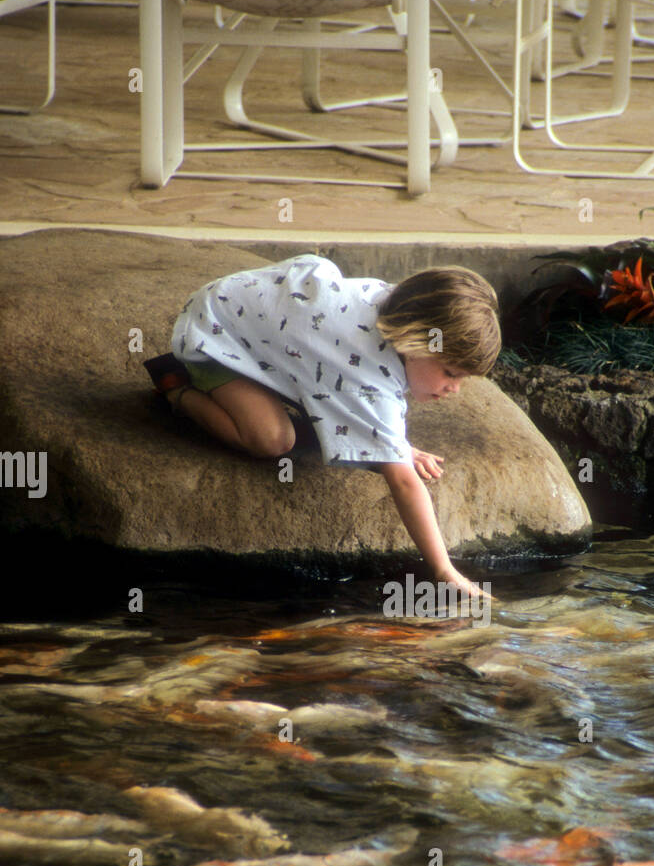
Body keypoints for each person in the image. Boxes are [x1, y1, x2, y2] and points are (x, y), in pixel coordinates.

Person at [145, 253, 501, 603]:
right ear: (414, 338)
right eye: (450, 373)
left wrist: (396, 445)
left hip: (254, 307)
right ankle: (178, 389)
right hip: (218, 334)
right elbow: (404, 482)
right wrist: (443, 570)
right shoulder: (365, 374)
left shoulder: (396, 304)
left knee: (327, 387)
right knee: (272, 439)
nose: (454, 389)